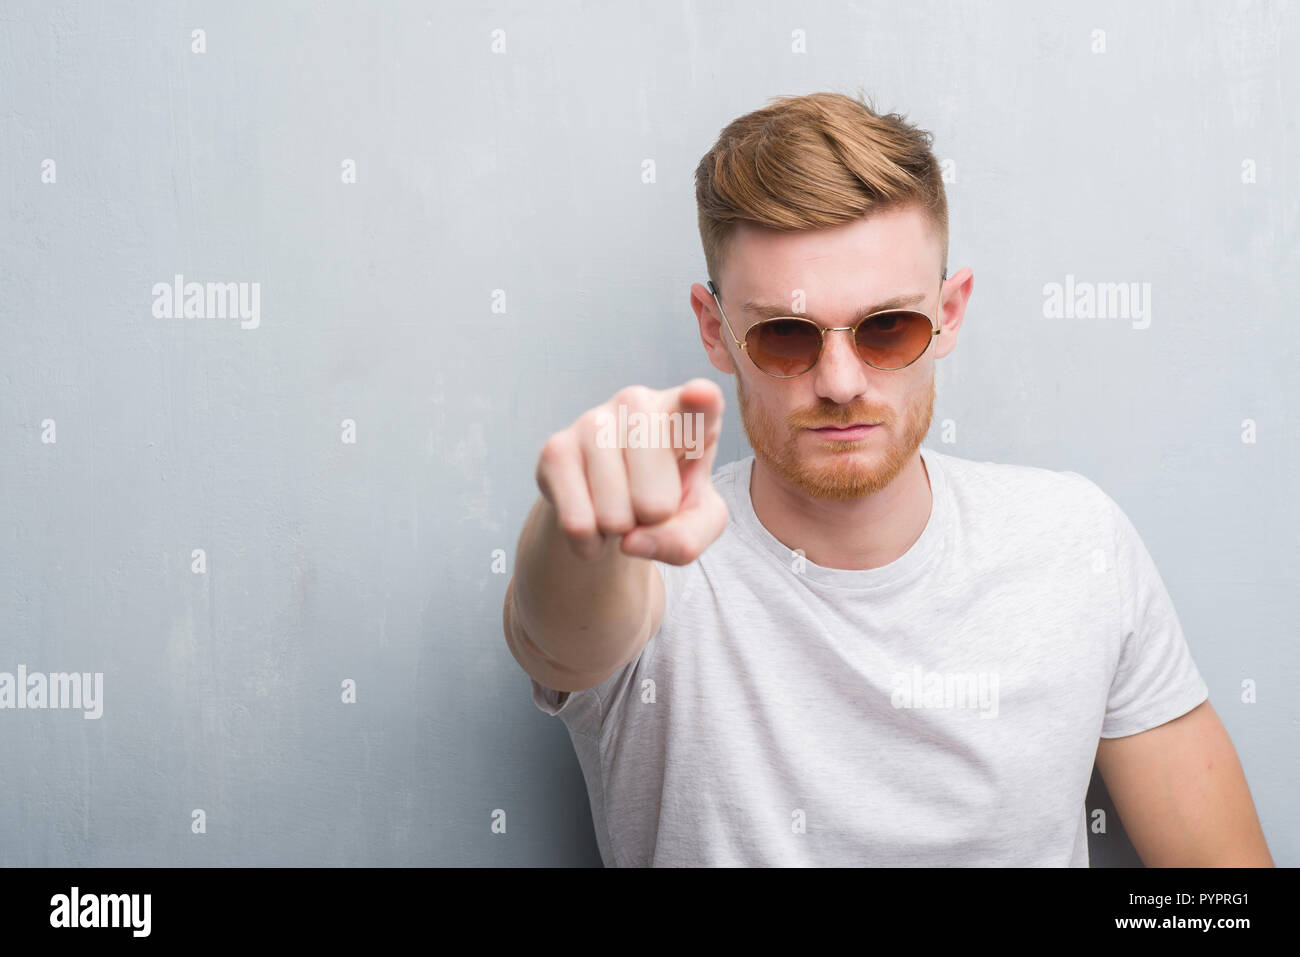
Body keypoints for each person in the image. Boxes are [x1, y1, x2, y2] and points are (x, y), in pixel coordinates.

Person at [502, 91, 1273, 867]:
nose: (839, 381)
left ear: (950, 312)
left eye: (886, 328)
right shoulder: (659, 565)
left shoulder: (1077, 544)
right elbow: (558, 635)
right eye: (785, 335)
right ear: (716, 330)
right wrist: (583, 530)